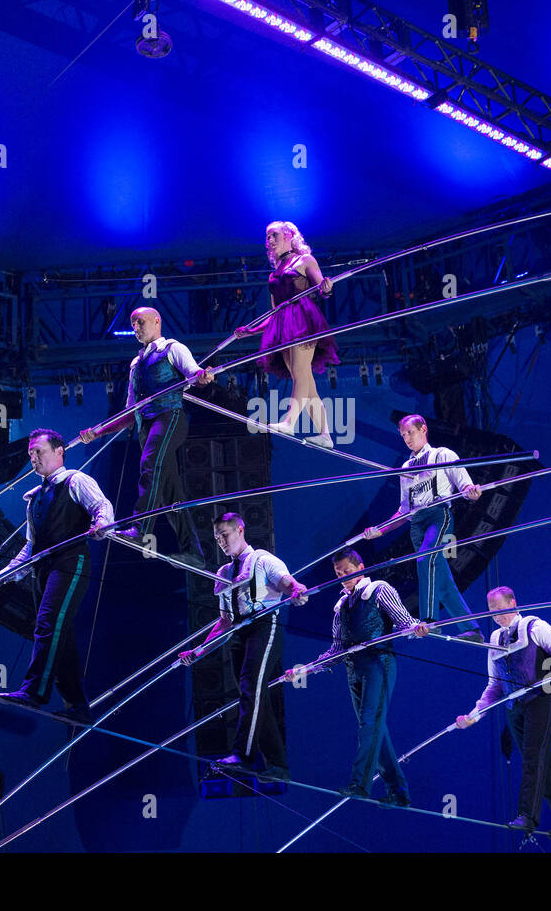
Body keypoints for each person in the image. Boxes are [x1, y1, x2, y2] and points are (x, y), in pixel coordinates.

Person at [0, 428, 114, 723]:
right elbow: (30, 546)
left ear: (59, 452)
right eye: (31, 453)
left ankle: (33, 692)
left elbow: (101, 507)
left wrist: (102, 524)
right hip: (43, 568)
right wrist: (2, 576)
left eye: (39, 451)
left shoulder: (75, 481)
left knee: (47, 624)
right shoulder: (35, 499)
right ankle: (77, 705)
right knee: (60, 633)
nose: (33, 458)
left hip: (70, 562)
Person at [287, 548, 429, 805]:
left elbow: (403, 621)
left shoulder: (379, 589)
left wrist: (416, 628)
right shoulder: (341, 604)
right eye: (339, 574)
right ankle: (398, 792)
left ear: (361, 566)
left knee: (369, 724)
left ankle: (359, 783)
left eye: (347, 571)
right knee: (376, 729)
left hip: (379, 663)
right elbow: (337, 650)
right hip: (354, 670)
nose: (343, 577)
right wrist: (306, 669)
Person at [80, 306, 213, 569]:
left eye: (140, 322)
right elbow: (130, 412)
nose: (136, 328)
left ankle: (141, 529)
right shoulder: (136, 364)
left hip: (169, 418)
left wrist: (202, 377)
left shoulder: (173, 348)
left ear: (156, 321)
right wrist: (99, 431)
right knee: (168, 491)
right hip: (146, 425)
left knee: (150, 466)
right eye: (133, 324)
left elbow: (193, 373)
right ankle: (193, 553)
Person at [178, 512, 308, 779]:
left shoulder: (262, 559)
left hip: (264, 625)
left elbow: (285, 581)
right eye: (216, 538)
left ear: (240, 529)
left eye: (224, 535)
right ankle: (278, 765)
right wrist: (199, 650)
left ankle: (243, 755)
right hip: (239, 633)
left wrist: (295, 589)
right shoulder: (224, 572)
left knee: (251, 688)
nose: (221, 542)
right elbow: (225, 621)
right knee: (254, 695)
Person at [455, 586, 551, 837]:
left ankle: (528, 816)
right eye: (492, 612)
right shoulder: (494, 639)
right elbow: (494, 685)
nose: (497, 616)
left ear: (513, 603)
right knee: (541, 763)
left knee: (533, 759)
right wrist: (474, 714)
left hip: (540, 701)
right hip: (514, 709)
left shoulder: (535, 626)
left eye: (501, 609)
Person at [362, 414, 484, 640]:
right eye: (403, 435)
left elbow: (464, 483)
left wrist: (471, 491)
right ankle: (471, 629)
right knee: (442, 580)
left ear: (423, 429)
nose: (406, 438)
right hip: (417, 525)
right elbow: (404, 510)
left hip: (438, 516)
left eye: (410, 432)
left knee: (425, 559)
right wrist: (381, 529)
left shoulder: (443, 454)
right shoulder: (406, 467)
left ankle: (429, 621)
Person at [235, 221, 340, 448]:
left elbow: (323, 287)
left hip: (303, 321)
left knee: (301, 372)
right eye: (267, 237)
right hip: (282, 327)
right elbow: (275, 313)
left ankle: (290, 421)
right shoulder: (274, 274)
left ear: (289, 235)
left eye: (274, 235)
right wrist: (251, 330)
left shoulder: (305, 260)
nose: (269, 241)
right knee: (305, 381)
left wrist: (327, 288)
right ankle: (325, 435)